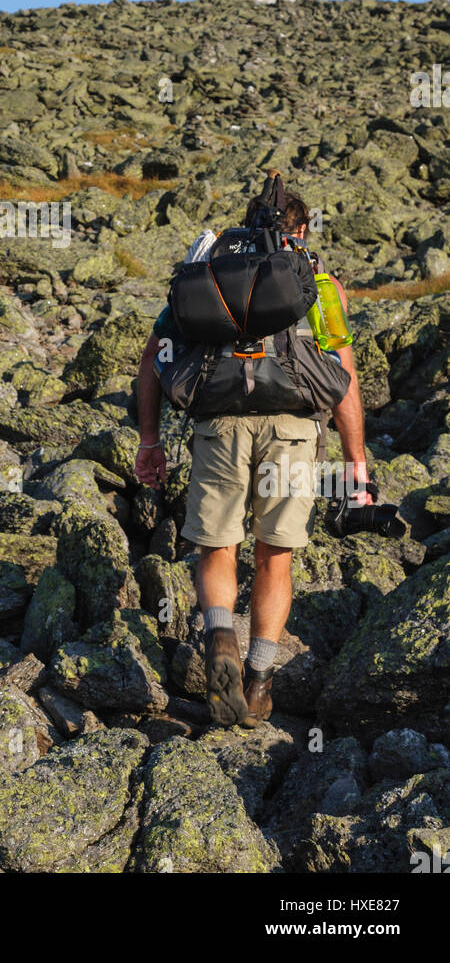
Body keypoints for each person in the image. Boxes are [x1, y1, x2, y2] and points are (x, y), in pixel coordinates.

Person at [134, 187, 369, 728]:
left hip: (219, 423)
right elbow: (344, 378)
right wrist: (357, 462)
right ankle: (259, 682)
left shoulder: (211, 272)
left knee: (217, 545)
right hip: (292, 428)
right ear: (301, 232)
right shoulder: (321, 284)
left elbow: (153, 360)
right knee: (274, 555)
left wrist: (150, 443)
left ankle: (220, 636)